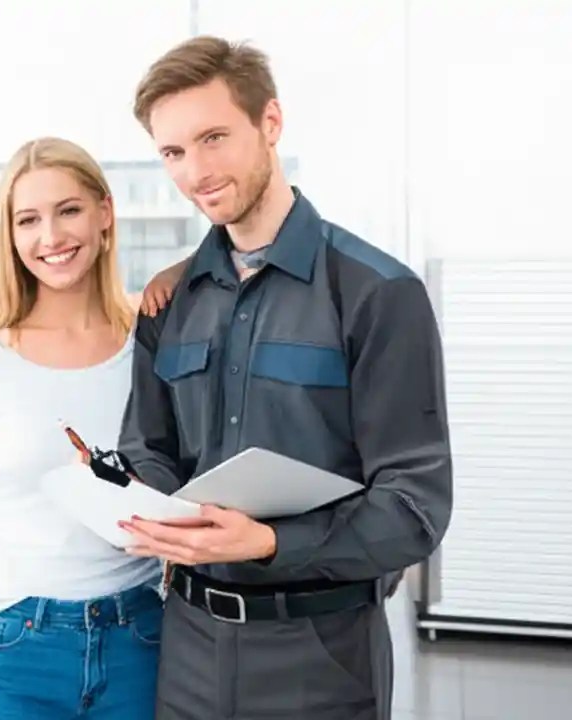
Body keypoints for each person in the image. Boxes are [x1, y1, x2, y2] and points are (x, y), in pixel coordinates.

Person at [116, 36, 453, 720]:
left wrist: (271, 542)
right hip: (186, 650)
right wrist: (140, 501)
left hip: (322, 655)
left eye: (214, 138)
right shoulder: (169, 303)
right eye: (173, 152)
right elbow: (146, 447)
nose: (196, 172)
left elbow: (415, 507)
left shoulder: (377, 293)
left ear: (270, 123)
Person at [0, 137, 172, 720]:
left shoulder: (154, 347)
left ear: (104, 212)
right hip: (8, 654)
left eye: (69, 211)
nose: (51, 237)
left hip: (140, 639)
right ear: (9, 236)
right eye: (28, 219)